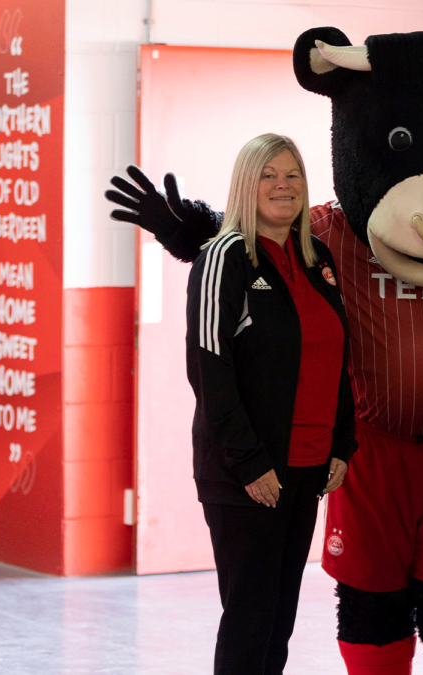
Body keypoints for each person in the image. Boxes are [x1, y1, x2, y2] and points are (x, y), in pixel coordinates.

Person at [183, 133, 356, 675]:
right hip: (248, 474)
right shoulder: (224, 257)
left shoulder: (317, 258)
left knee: (279, 621)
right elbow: (209, 369)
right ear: (245, 184)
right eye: (268, 175)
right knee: (250, 620)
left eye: (292, 174)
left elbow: (338, 357)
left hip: (308, 467)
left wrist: (342, 443)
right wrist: (249, 463)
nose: (283, 186)